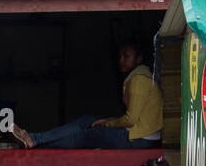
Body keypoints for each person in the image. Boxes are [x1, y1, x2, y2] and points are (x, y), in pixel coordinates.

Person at [11, 40, 163, 150]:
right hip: (137, 134)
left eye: (126, 56)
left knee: (87, 135)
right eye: (120, 56)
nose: (121, 60)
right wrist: (107, 121)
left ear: (139, 59)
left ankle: (35, 143)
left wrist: (107, 123)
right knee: (88, 121)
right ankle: (35, 138)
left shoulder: (140, 79)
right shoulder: (138, 76)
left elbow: (131, 119)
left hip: (141, 139)